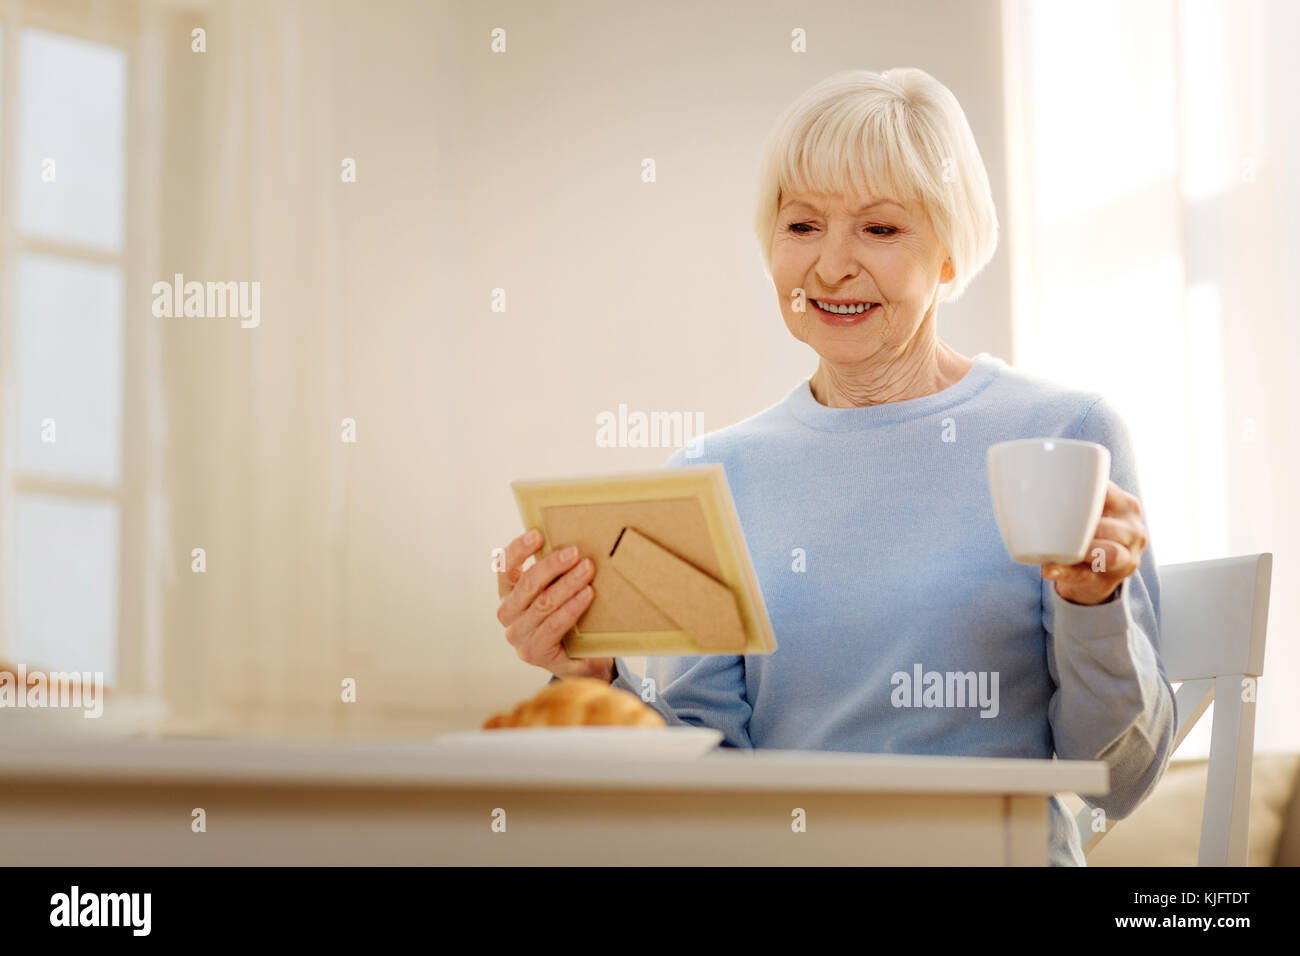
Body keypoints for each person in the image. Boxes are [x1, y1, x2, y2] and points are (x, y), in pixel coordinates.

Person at [494, 68, 1175, 866]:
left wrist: (1095, 603)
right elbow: (702, 784)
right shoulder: (715, 471)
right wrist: (596, 677)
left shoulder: (1066, 434)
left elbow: (1116, 780)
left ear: (950, 254)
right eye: (803, 226)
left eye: (880, 230)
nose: (831, 267)